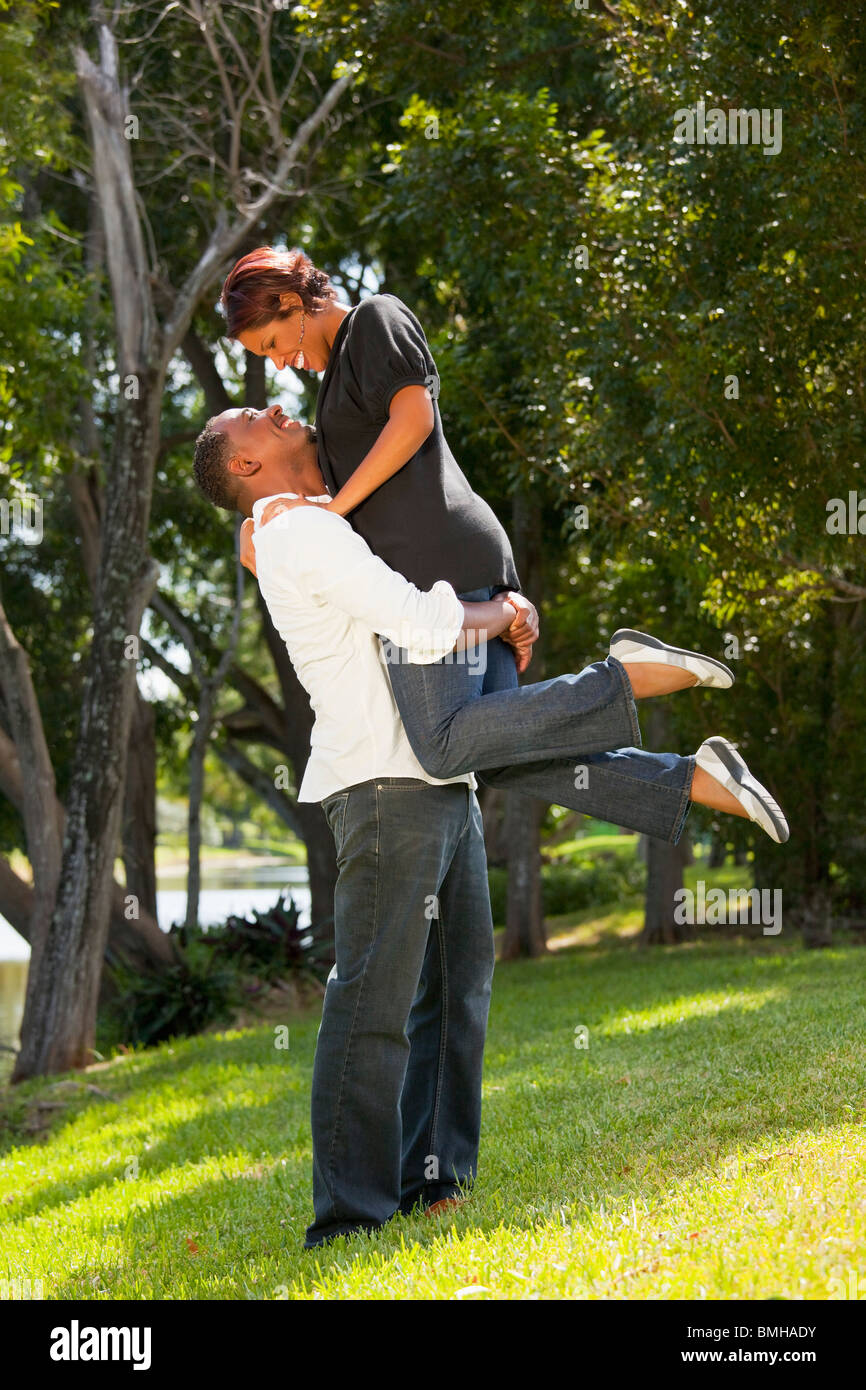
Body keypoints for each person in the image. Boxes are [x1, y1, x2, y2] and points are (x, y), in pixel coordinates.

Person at [192, 408, 786, 1248]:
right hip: (383, 784)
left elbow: (376, 578)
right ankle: (350, 1218)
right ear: (247, 465)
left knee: (457, 985)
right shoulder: (295, 534)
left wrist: (493, 615)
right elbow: (411, 617)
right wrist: (497, 612)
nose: (279, 409)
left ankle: (434, 1181)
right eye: (255, 418)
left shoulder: (303, 524)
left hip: (440, 775)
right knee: (373, 1004)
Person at [217, 249, 787, 846]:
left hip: (432, 566)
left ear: (288, 304)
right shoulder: (334, 383)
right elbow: (327, 489)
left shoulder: (375, 320)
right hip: (445, 567)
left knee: (440, 745)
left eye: (272, 343)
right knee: (500, 752)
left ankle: (626, 675)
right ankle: (698, 780)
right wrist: (259, 523)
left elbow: (412, 421)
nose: (281, 362)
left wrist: (332, 508)